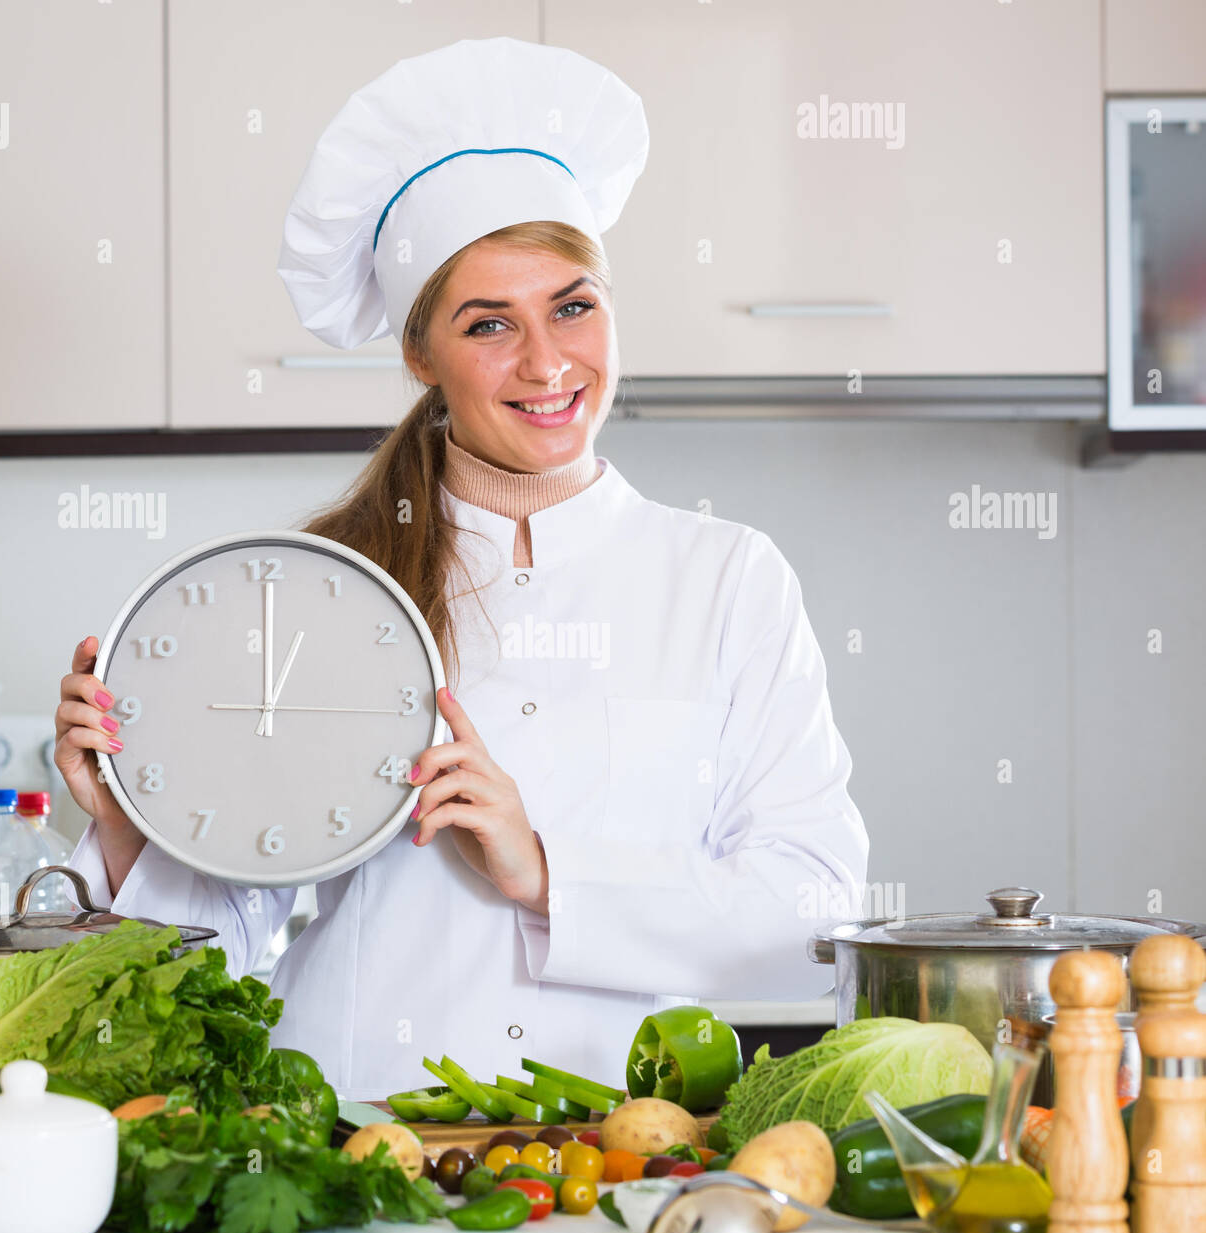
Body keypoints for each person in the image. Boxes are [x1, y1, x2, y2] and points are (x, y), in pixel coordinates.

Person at [56, 37, 868, 1100]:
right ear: (420, 356)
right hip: (351, 1138)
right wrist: (129, 819)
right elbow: (202, 954)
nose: (545, 361)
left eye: (572, 305)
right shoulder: (323, 586)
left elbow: (808, 921)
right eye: (490, 323)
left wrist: (547, 873)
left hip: (616, 1158)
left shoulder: (726, 580)